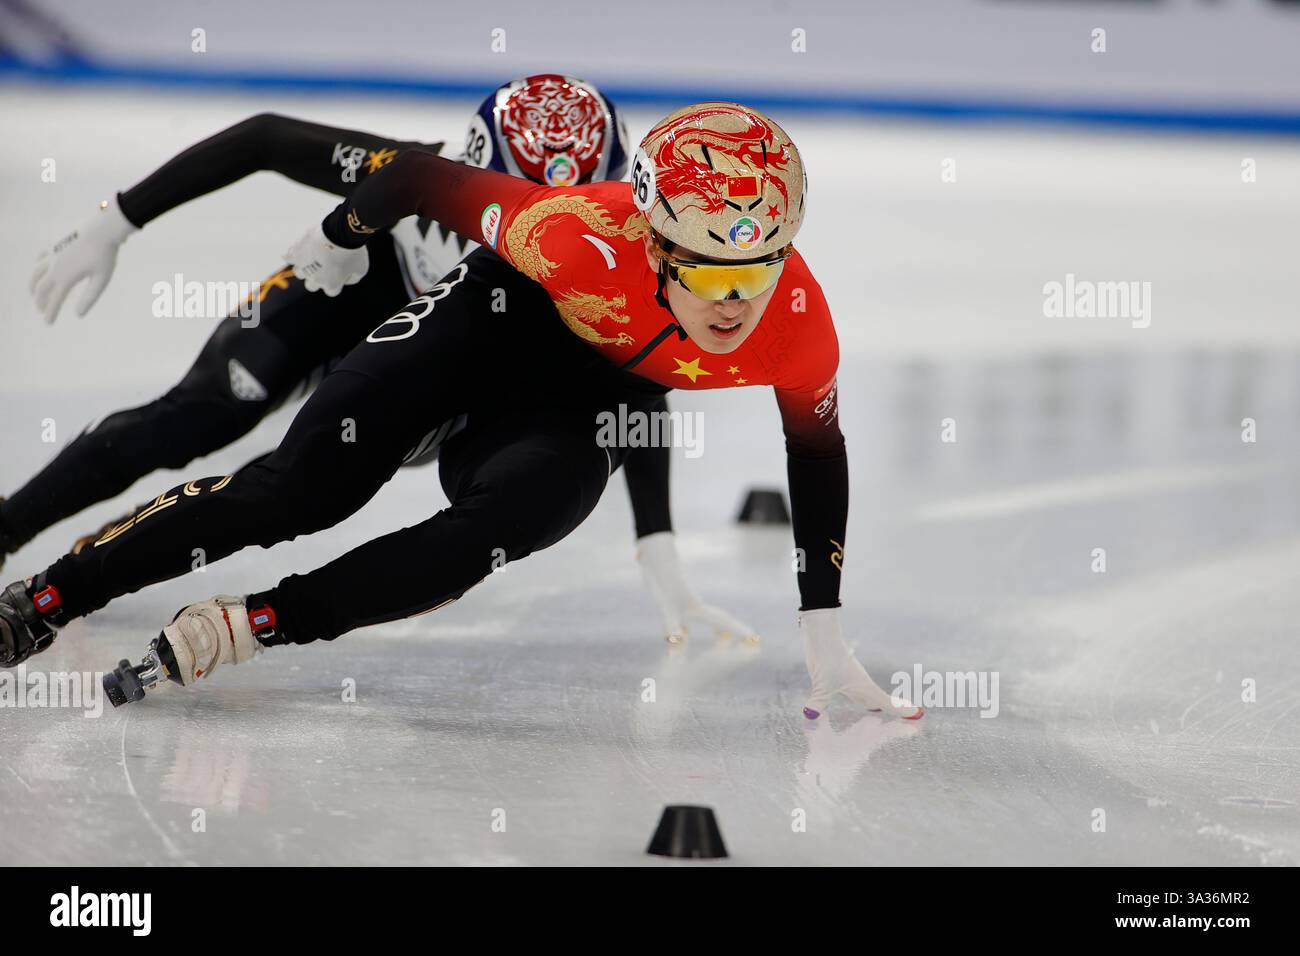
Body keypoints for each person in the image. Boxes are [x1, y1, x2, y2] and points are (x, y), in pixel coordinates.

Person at [1, 102, 919, 720]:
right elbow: (405, 178)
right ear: (654, 242)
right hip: (484, 324)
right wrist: (336, 236)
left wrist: (823, 631)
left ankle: (256, 624)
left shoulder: (797, 325)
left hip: (568, 407)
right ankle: (45, 597)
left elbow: (817, 456)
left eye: (759, 271)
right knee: (299, 493)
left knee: (530, 514)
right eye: (713, 272)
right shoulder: (571, 234)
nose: (736, 304)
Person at [1, 74, 747, 646]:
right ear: (473, 171)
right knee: (206, 411)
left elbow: (637, 371)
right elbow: (264, 137)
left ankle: (133, 544)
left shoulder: (623, 246)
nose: (542, 230)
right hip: (352, 300)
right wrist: (117, 221)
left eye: (574, 207)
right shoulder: (417, 175)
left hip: (456, 370)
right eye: (516, 202)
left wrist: (658, 546)